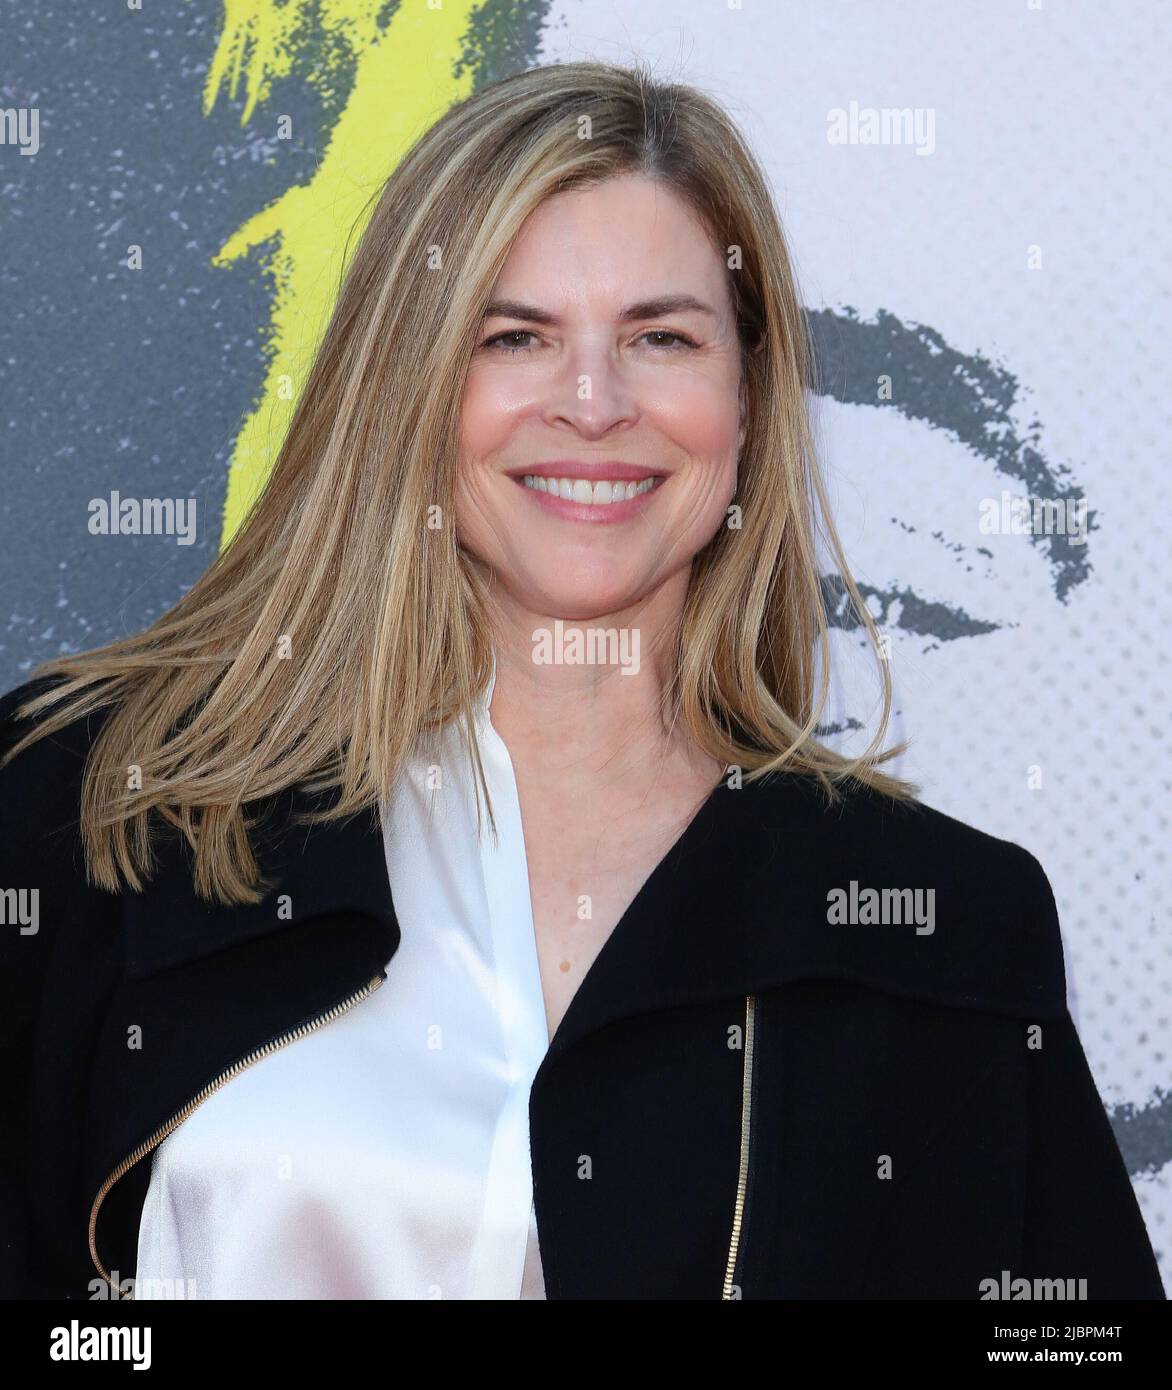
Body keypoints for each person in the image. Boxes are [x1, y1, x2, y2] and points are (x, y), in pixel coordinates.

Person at [0, 60, 1161, 1301]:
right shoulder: (100, 808)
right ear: (406, 387)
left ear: (749, 400)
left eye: (660, 337)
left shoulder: (938, 925)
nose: (593, 404)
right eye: (515, 337)